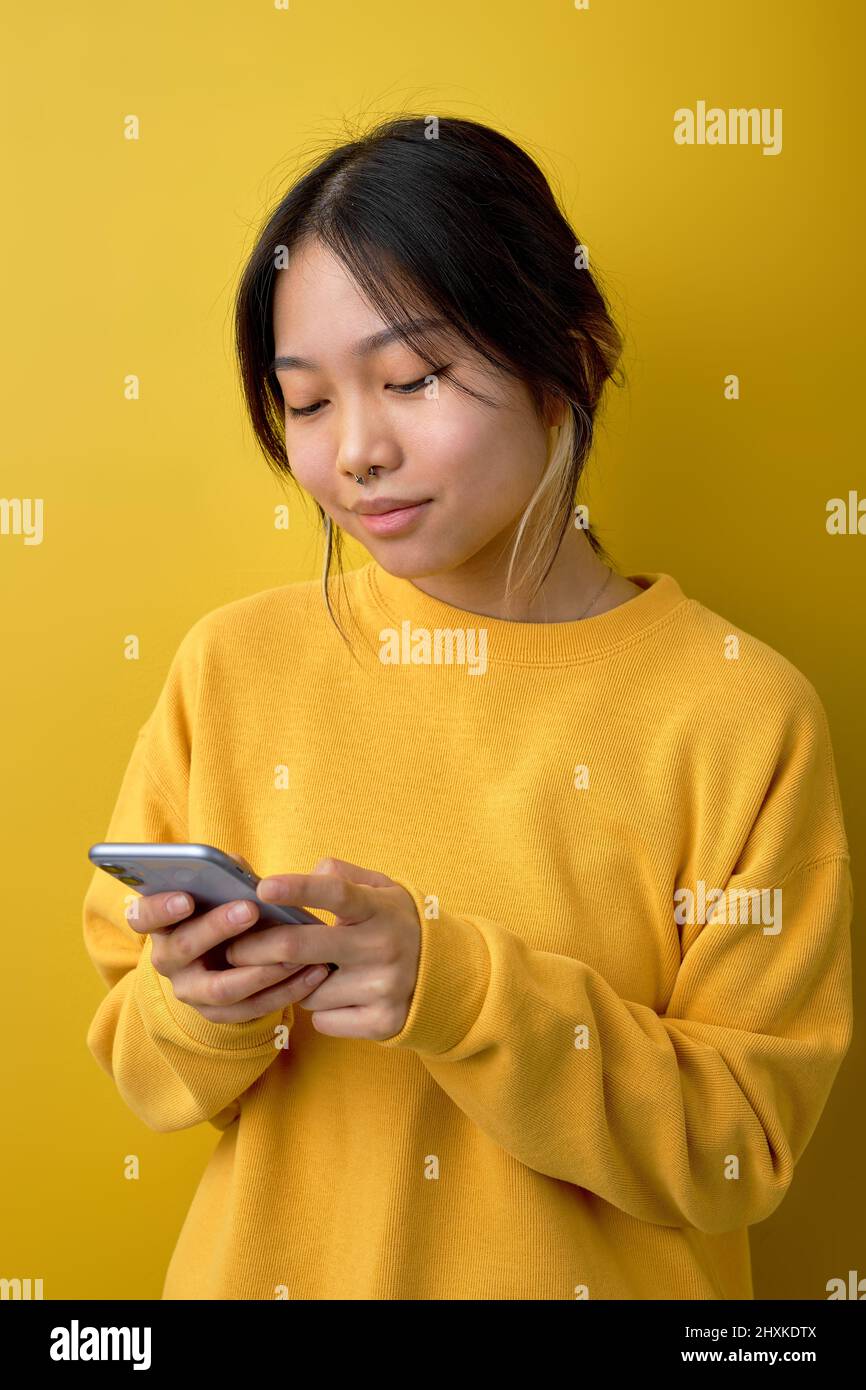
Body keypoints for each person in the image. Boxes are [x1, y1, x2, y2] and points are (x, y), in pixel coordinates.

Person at [83, 115, 853, 1300]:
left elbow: (738, 1146)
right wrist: (206, 1008)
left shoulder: (741, 714)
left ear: (571, 353)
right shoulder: (230, 665)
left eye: (410, 380)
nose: (357, 453)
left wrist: (450, 990)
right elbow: (144, 1075)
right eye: (306, 403)